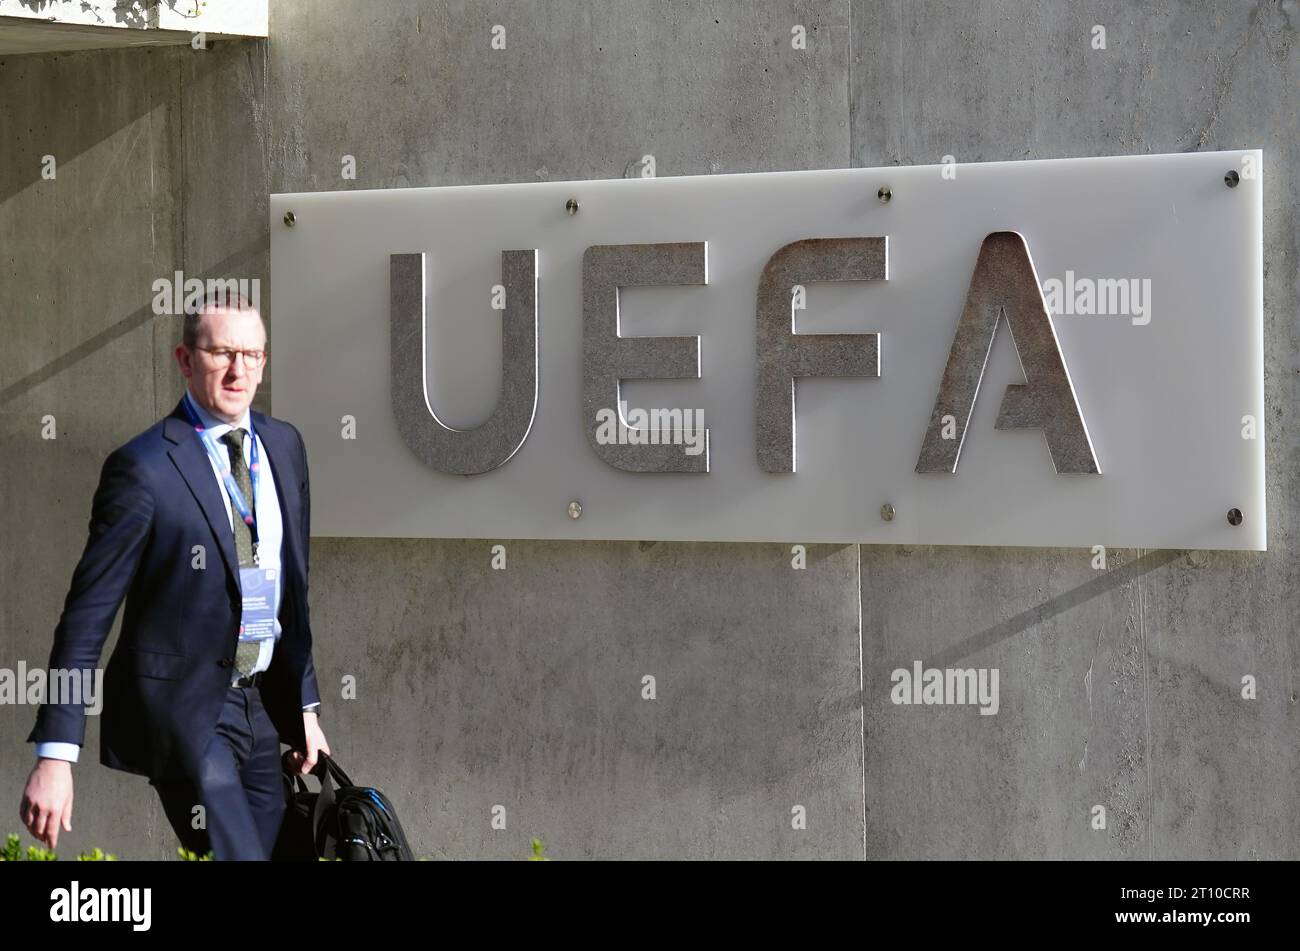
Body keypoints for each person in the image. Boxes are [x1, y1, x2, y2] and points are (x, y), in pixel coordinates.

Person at [18, 287, 329, 860]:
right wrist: (57, 752)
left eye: (251, 355)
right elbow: (86, 618)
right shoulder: (144, 468)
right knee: (236, 852)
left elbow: (292, 593)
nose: (239, 370)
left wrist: (304, 708)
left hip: (260, 708)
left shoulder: (284, 447)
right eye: (221, 354)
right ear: (186, 360)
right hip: (186, 712)